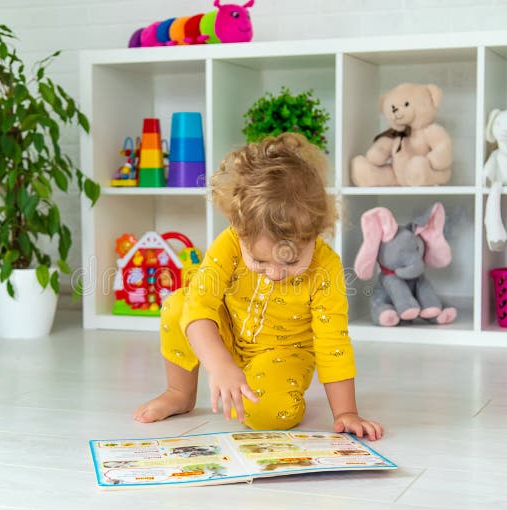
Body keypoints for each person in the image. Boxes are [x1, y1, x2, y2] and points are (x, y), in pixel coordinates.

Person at [134, 133, 383, 440]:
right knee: (178, 304)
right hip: (228, 336)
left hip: (285, 354)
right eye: (260, 261)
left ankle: (264, 390)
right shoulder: (230, 243)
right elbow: (200, 305)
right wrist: (220, 364)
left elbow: (334, 344)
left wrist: (346, 413)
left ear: (316, 233)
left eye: (290, 262)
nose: (275, 274)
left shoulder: (326, 268)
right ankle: (179, 392)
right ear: (240, 233)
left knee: (266, 415)